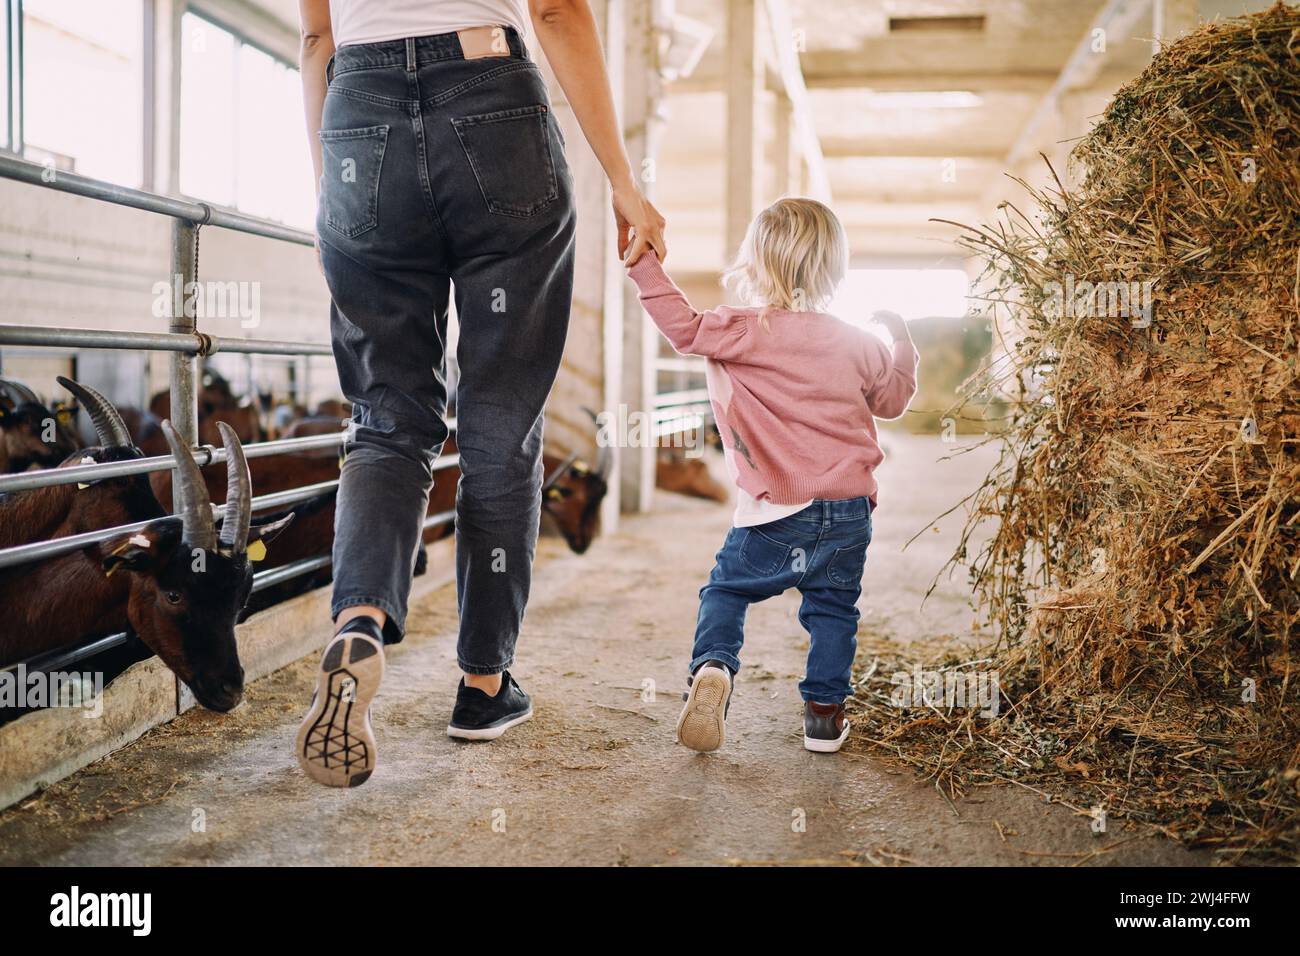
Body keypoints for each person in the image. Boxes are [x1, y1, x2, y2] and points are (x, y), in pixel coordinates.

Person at [294, 0, 666, 787]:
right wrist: (623, 181)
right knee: (500, 421)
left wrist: (334, 188)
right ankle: (482, 685)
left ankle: (360, 617)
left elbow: (316, 38)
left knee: (387, 419)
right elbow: (556, 10)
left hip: (357, 116)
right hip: (492, 107)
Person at [623, 198, 917, 755]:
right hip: (850, 509)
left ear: (755, 264)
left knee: (727, 589)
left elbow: (679, 325)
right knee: (833, 609)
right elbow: (893, 402)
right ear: (835, 269)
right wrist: (902, 343)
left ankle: (713, 668)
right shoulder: (860, 342)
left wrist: (643, 263)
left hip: (777, 510)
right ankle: (824, 717)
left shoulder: (741, 329)